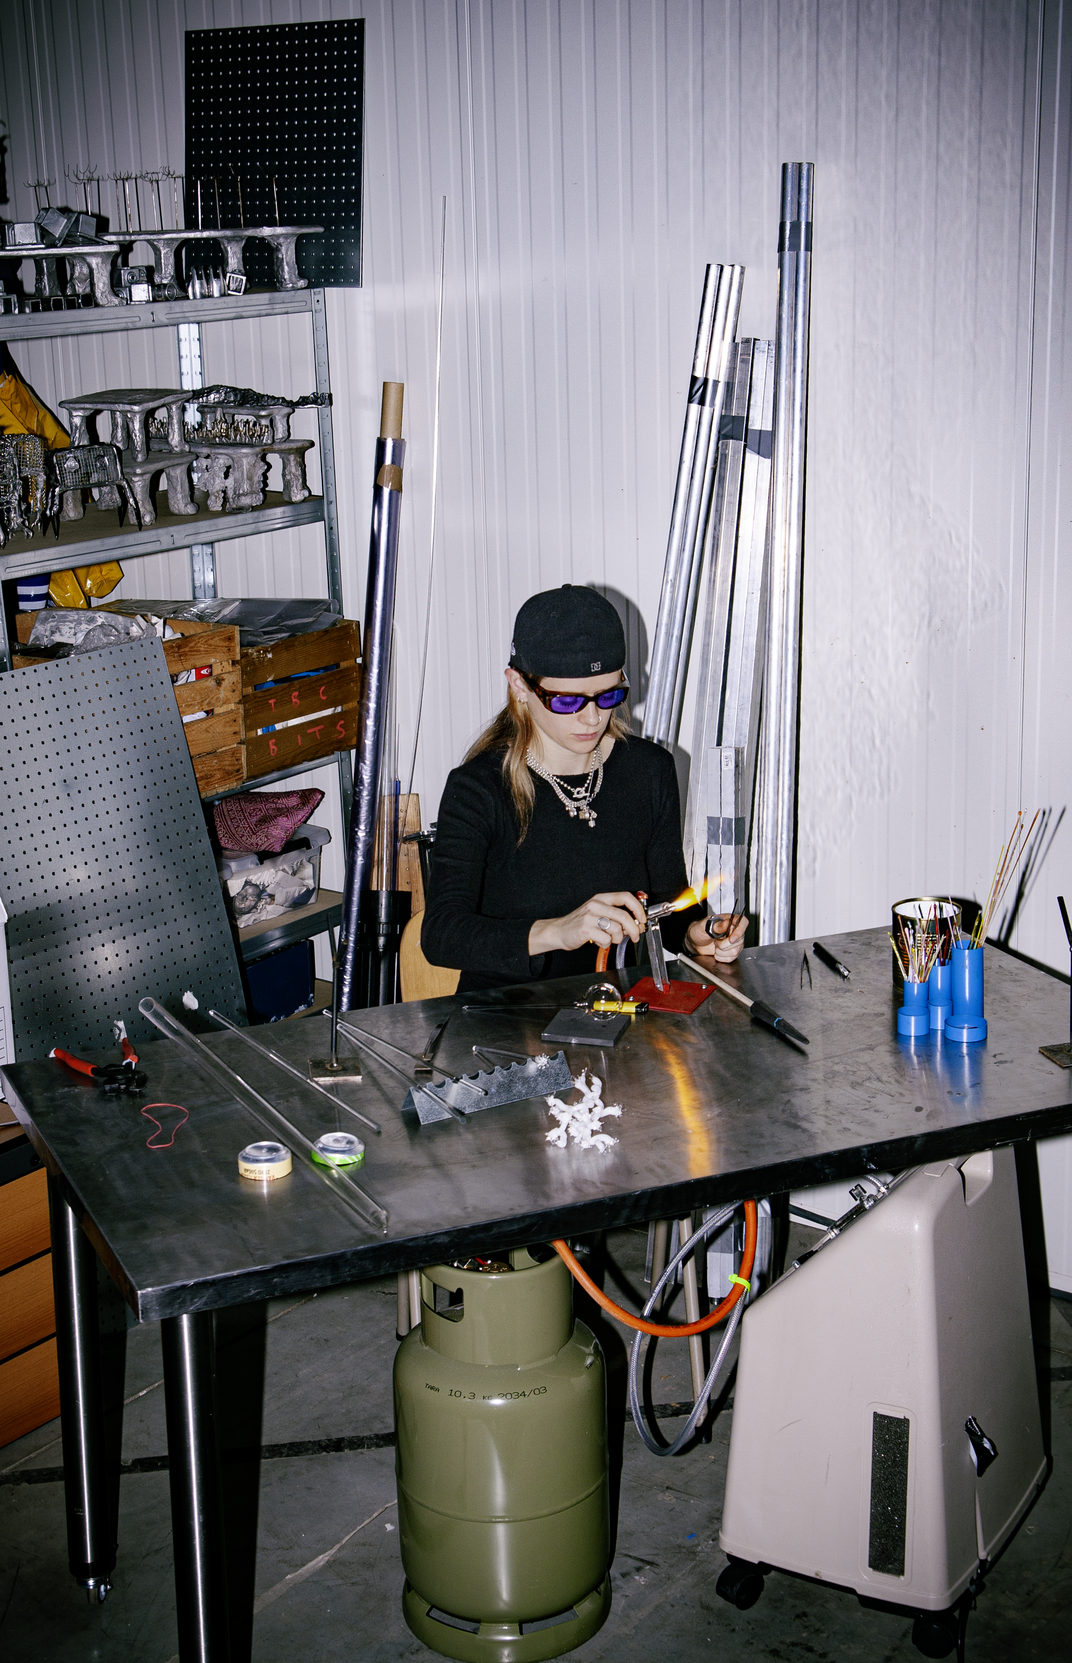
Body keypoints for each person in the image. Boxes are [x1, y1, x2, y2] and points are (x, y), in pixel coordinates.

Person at [421, 585, 748, 993]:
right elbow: (442, 935)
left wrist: (695, 935)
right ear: (520, 686)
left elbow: (668, 900)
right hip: (507, 1022)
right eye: (566, 701)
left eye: (609, 695)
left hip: (623, 1011)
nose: (592, 718)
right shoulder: (479, 789)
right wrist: (558, 931)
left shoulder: (650, 771)